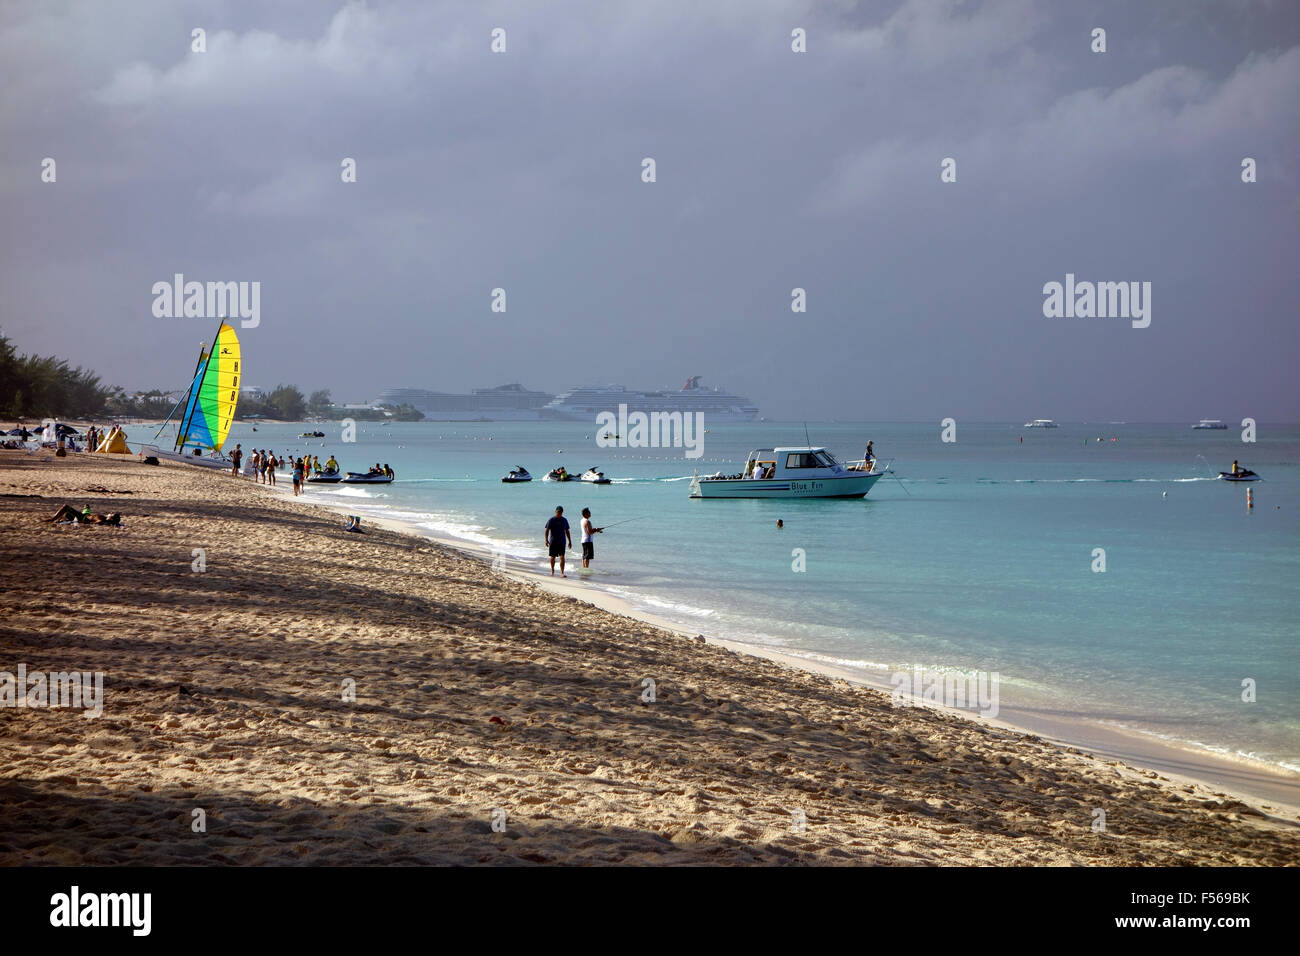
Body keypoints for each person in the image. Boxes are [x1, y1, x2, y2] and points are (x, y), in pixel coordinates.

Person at [545, 506, 571, 577]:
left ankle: (562, 573)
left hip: (562, 541)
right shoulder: (551, 520)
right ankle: (552, 571)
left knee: (562, 556)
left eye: (560, 512)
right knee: (552, 557)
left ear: (562, 512)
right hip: (553, 541)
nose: (559, 513)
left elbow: (567, 531)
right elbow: (547, 530)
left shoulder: (564, 520)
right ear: (555, 511)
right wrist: (546, 540)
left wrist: (570, 541)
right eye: (558, 512)